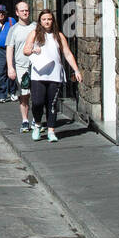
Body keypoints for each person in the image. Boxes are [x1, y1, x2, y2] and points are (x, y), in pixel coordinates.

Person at [24, 9, 82, 142]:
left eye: (49, 19)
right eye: (44, 19)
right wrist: (33, 49)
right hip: (38, 74)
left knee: (52, 104)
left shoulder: (58, 35)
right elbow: (25, 50)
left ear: (53, 21)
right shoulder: (34, 34)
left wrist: (76, 70)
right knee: (38, 102)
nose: (47, 21)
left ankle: (51, 131)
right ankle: (37, 124)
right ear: (40, 21)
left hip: (55, 75)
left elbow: (67, 53)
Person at [5, 0, 36, 134]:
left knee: (37, 95)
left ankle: (36, 119)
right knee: (24, 95)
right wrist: (10, 67)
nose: (25, 12)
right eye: (22, 10)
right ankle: (25, 120)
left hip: (36, 66)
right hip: (21, 67)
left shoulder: (36, 26)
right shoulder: (14, 29)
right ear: (17, 13)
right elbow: (10, 49)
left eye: (27, 10)